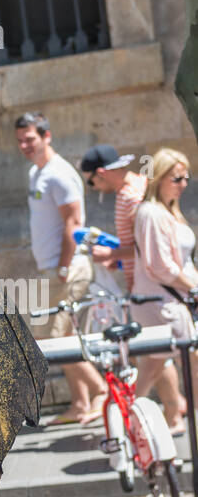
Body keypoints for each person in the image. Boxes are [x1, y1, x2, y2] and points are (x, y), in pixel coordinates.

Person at [81, 144, 186, 428]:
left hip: (149, 289)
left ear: (101, 174)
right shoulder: (136, 185)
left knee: (159, 354)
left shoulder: (130, 195)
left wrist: (112, 254)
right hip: (146, 285)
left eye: (92, 182)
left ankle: (167, 413)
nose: (94, 188)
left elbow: (144, 247)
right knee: (157, 356)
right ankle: (171, 412)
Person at [15, 113, 107, 424]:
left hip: (66, 268)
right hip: (53, 268)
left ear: (46, 136)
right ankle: (80, 403)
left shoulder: (59, 173)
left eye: (30, 138)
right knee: (65, 336)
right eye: (21, 141)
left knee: (53, 342)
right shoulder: (35, 173)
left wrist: (64, 268)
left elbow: (74, 223)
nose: (25, 145)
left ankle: (101, 390)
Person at [133, 147, 198, 434]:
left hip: (178, 302)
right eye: (177, 178)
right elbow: (160, 266)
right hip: (164, 304)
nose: (184, 184)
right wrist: (194, 286)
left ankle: (129, 420)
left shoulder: (169, 212)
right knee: (156, 368)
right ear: (158, 177)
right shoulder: (151, 213)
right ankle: (127, 419)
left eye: (186, 177)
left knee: (157, 368)